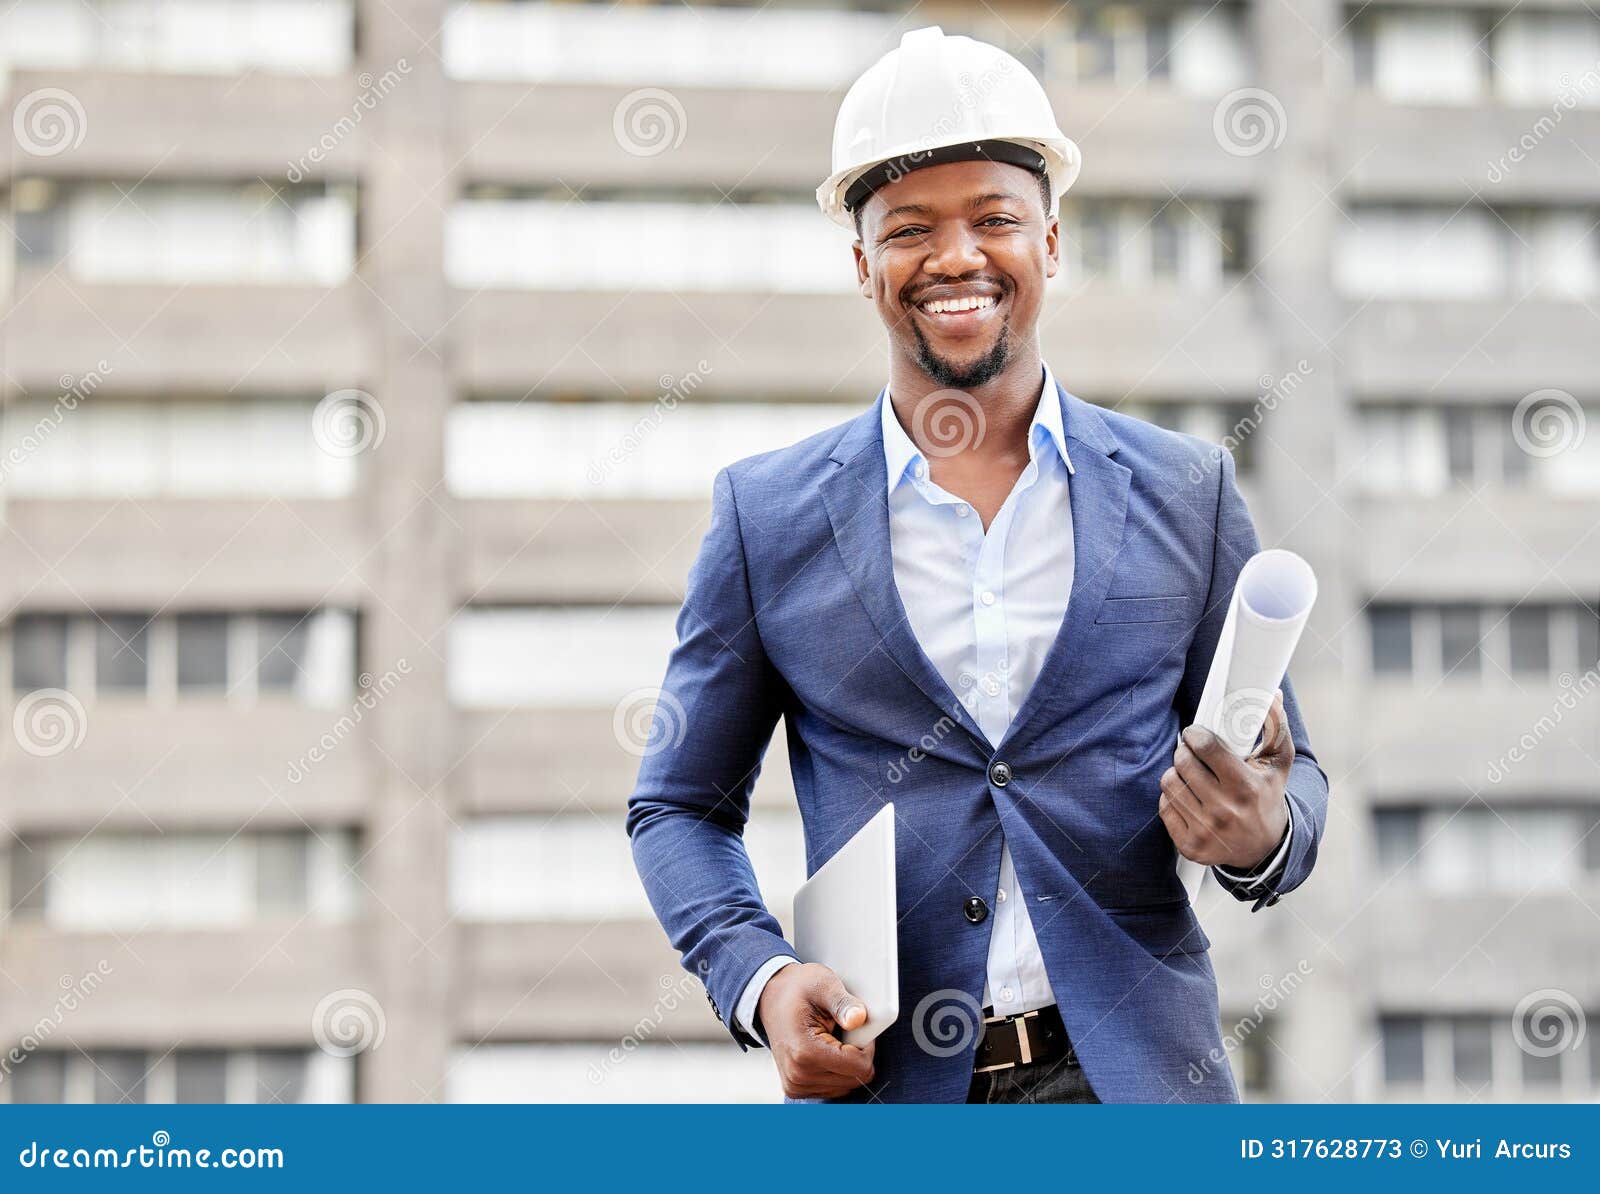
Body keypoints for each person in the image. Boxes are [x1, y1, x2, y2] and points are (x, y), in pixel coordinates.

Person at [626, 26, 1329, 1104]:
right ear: (862, 264)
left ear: (1049, 241)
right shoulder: (767, 518)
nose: (956, 256)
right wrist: (762, 982)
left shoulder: (1186, 492)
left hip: (1135, 1095)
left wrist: (1262, 831)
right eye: (910, 229)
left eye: (994, 219)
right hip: (893, 1099)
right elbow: (677, 805)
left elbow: (1294, 773)